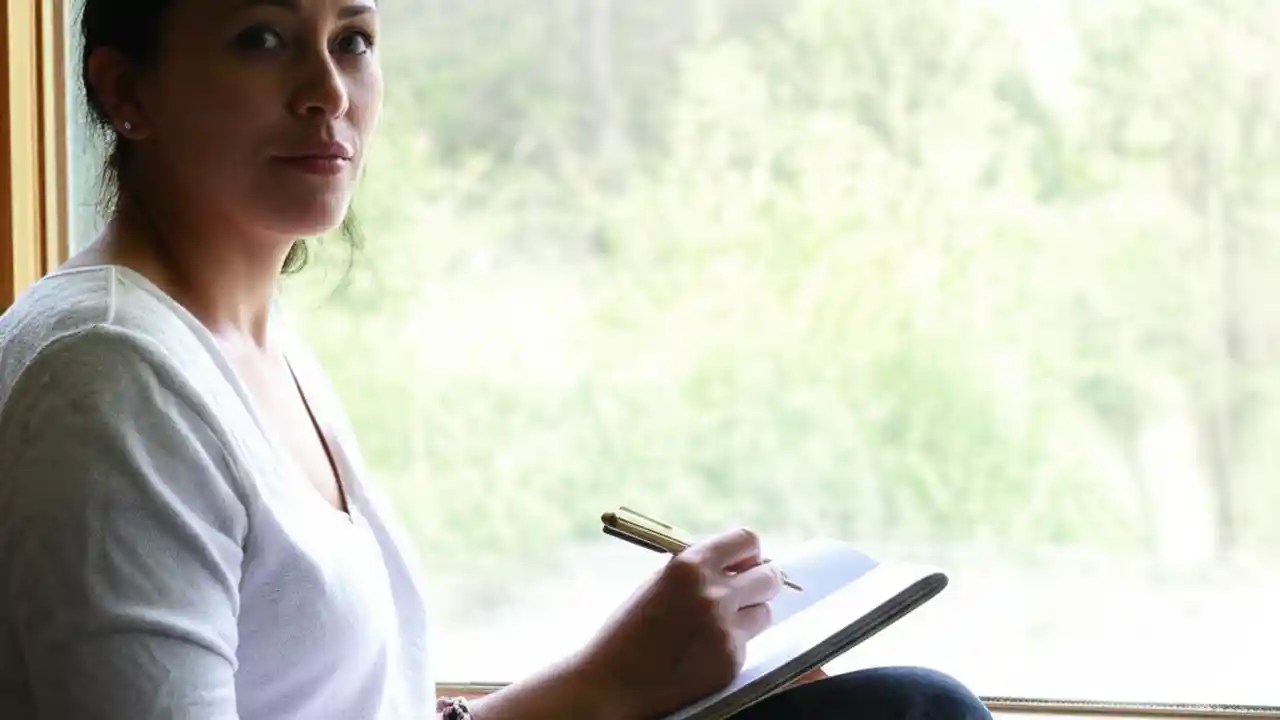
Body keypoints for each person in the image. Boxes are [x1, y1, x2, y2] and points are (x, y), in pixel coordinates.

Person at [0, 1, 991, 718]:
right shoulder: (104, 381)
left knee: (901, 710)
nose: (327, 90)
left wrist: (670, 670)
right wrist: (599, 689)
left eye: (352, 38)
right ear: (126, 88)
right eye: (262, 39)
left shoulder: (247, 346)